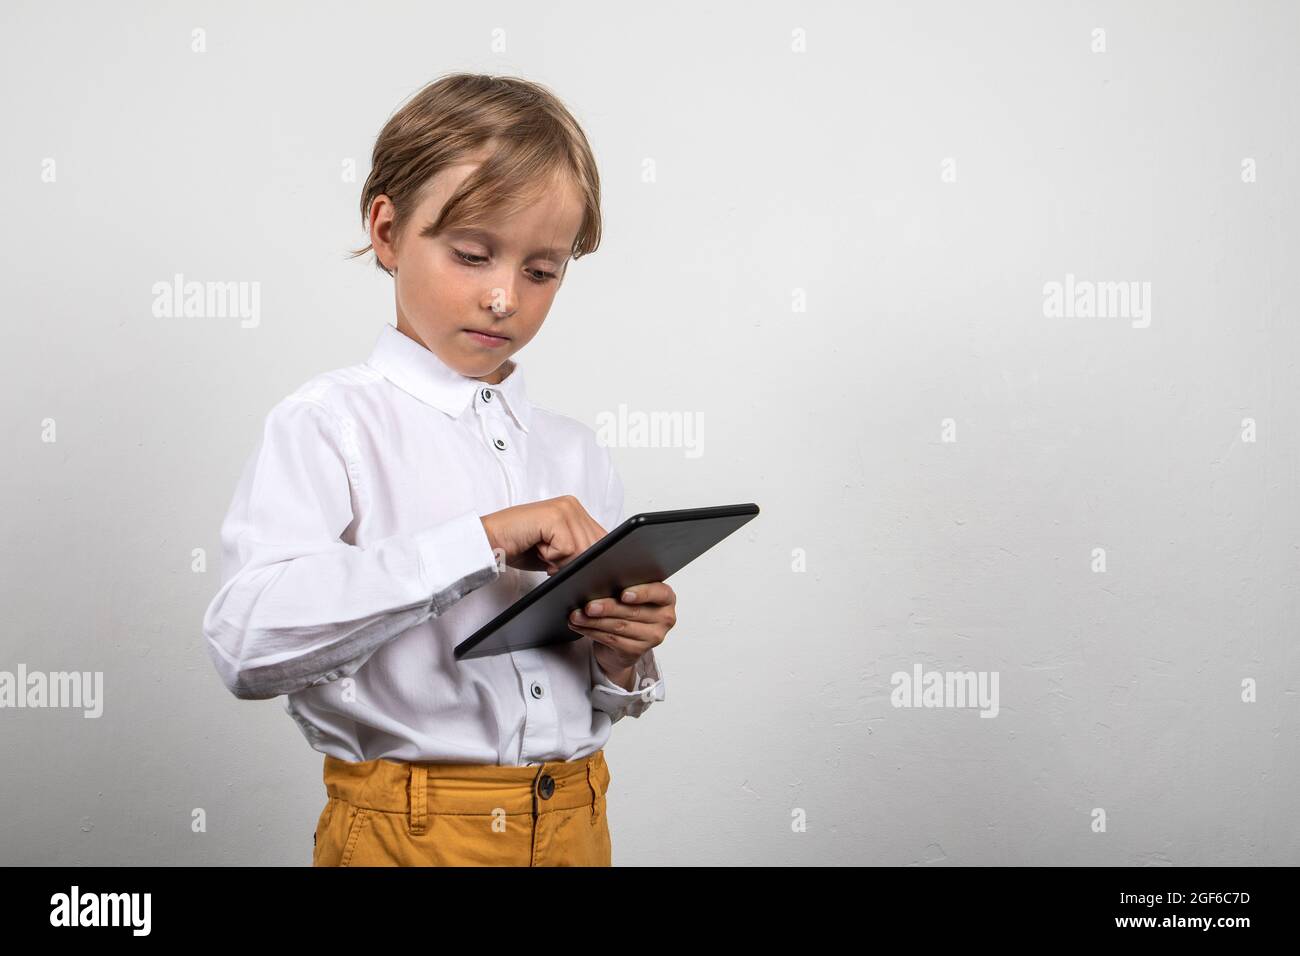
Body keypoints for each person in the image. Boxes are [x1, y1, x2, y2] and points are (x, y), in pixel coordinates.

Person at [201, 73, 673, 866]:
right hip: (406, 835)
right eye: (472, 254)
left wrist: (623, 653)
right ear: (387, 231)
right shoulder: (329, 424)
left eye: (541, 270)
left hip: (576, 821)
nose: (501, 298)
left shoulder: (575, 451)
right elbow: (246, 644)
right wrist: (481, 540)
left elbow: (586, 691)